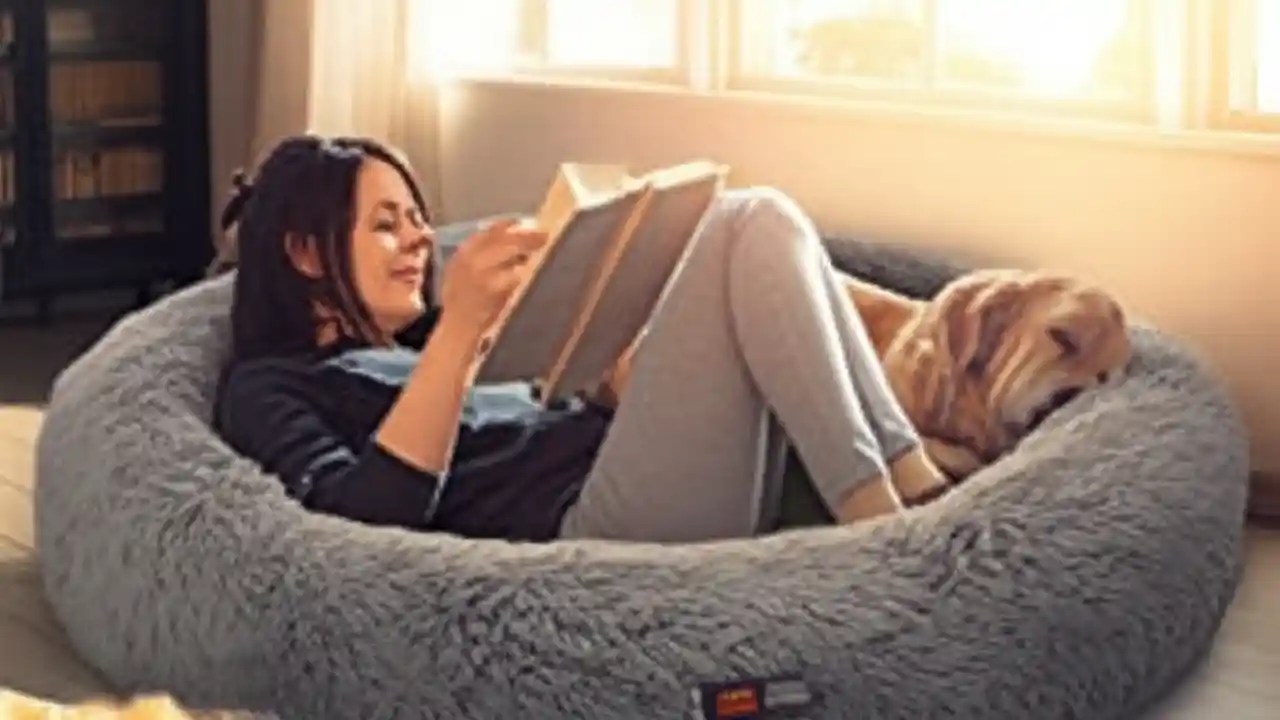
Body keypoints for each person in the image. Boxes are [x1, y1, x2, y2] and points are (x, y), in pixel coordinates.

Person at [213, 135, 948, 544]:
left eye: (415, 218)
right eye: (384, 225)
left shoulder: (424, 344)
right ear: (307, 253)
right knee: (748, 219)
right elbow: (364, 521)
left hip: (651, 474)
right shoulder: (271, 386)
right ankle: (880, 533)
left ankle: (916, 483)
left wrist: (596, 334)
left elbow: (579, 412)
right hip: (596, 526)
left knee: (756, 219)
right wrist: (461, 333)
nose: (418, 241)